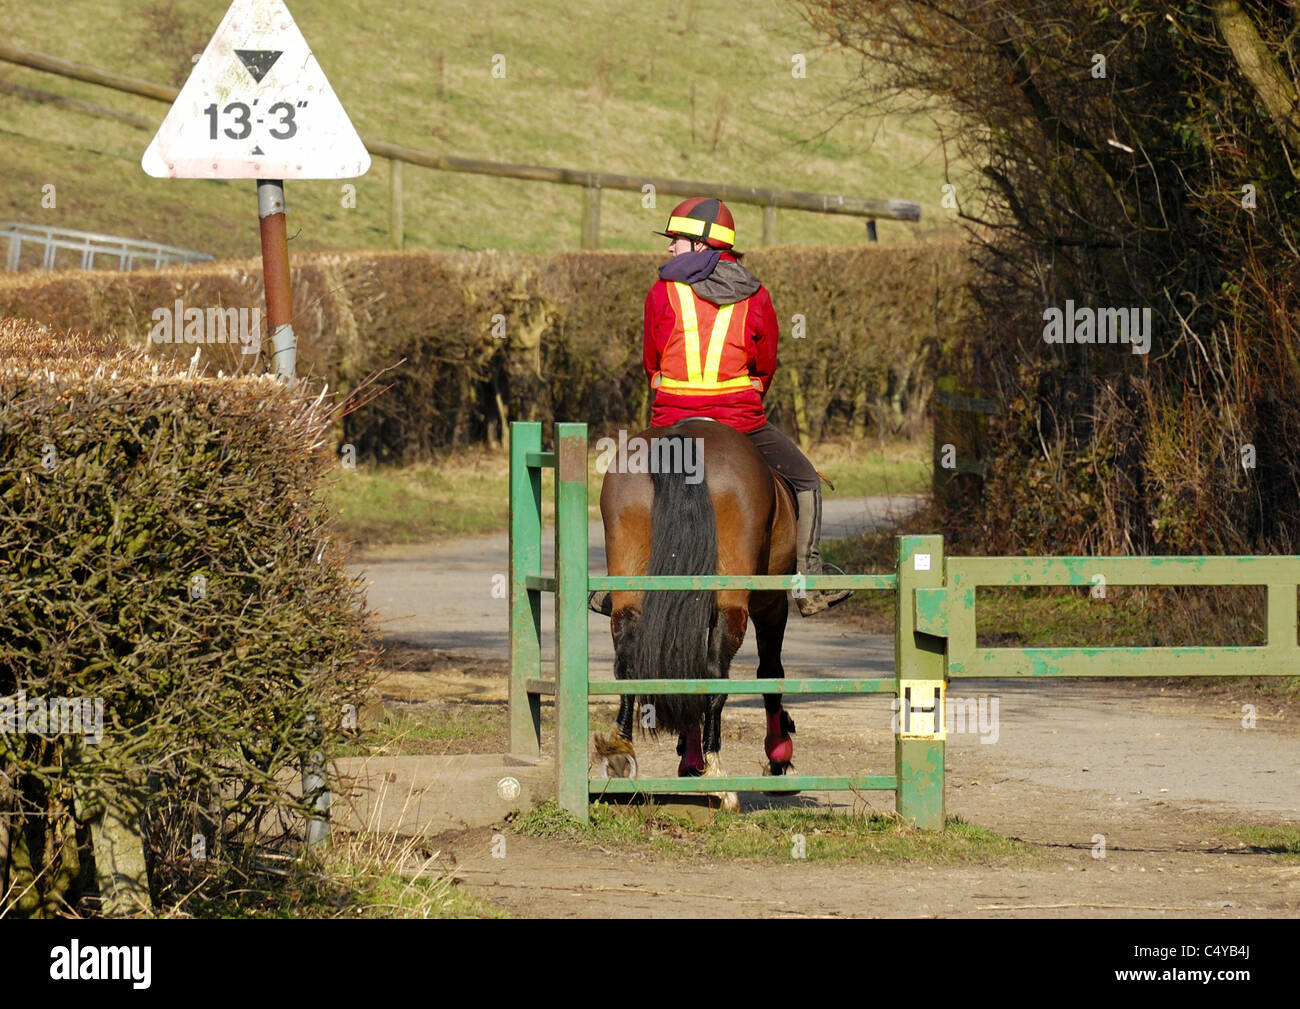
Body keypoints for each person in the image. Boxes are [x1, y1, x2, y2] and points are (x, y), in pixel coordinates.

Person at [590, 196, 853, 617]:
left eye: (675, 239)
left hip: (671, 420)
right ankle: (809, 581)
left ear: (701, 246)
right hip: (741, 421)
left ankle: (616, 588)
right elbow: (765, 365)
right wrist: (744, 393)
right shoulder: (757, 294)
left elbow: (651, 362)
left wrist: (673, 388)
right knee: (806, 482)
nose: (669, 248)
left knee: (623, 477)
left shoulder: (662, 292)